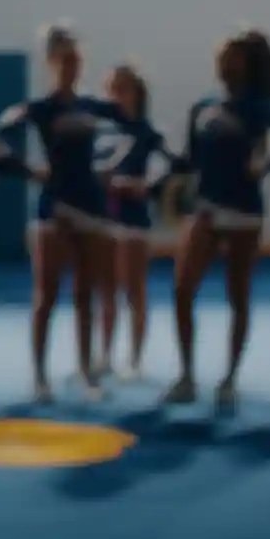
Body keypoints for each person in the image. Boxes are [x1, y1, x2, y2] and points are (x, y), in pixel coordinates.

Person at [0, 24, 121, 403]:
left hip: (90, 205)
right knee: (46, 294)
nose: (71, 66)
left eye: (76, 59)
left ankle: (86, 369)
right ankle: (40, 375)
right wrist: (28, 170)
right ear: (50, 62)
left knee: (85, 293)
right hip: (54, 207)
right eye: (64, 59)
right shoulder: (40, 108)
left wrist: (114, 164)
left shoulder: (92, 106)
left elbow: (137, 130)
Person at [165, 29, 270, 409]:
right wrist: (167, 181)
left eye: (233, 57)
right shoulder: (203, 106)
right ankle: (187, 374)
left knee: (237, 295)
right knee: (182, 288)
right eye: (221, 56)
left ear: (247, 63)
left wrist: (265, 165)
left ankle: (229, 378)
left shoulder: (261, 105)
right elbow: (189, 160)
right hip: (206, 207)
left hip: (244, 211)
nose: (225, 63)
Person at [93, 63, 175, 380]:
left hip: (133, 219)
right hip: (104, 217)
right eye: (112, 89)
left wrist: (148, 186)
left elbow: (171, 164)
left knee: (134, 288)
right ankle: (105, 355)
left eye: (124, 89)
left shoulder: (148, 132)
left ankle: (135, 359)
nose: (117, 96)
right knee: (106, 289)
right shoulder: (101, 132)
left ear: (137, 93)